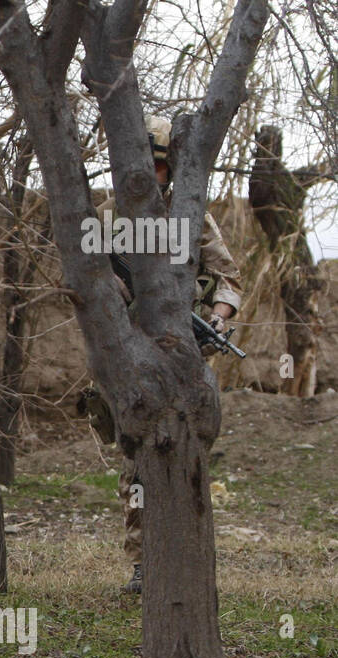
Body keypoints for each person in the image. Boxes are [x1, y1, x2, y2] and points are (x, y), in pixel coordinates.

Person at [83, 115, 244, 595]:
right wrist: (110, 290)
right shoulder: (106, 217)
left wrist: (219, 317)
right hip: (129, 355)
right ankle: (141, 561)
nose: (151, 177)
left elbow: (229, 277)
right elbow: (79, 280)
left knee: (186, 455)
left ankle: (185, 557)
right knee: (135, 464)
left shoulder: (190, 215)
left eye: (159, 167)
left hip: (182, 356)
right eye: (144, 166)